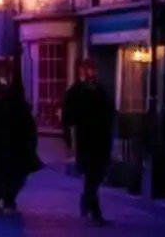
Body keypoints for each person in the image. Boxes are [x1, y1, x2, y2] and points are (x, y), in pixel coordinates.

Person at [0, 56, 41, 214]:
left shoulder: (15, 88)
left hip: (14, 139)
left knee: (15, 173)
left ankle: (8, 198)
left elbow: (21, 109)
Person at [62, 58, 114, 225]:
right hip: (86, 139)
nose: (92, 73)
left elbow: (108, 111)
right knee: (91, 174)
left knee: (98, 174)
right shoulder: (75, 92)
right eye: (89, 70)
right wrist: (70, 138)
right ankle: (95, 211)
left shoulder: (101, 90)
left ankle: (87, 200)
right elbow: (68, 116)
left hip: (101, 138)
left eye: (93, 69)